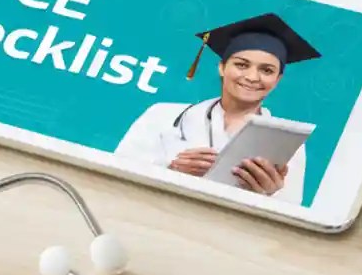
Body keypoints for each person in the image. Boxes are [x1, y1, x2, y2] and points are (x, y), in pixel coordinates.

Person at [115, 13, 320, 204]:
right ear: (222, 67)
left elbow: (290, 210)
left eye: (266, 70)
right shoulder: (162, 114)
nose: (252, 77)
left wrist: (267, 195)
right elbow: (118, 172)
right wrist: (171, 170)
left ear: (277, 80)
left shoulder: (285, 140)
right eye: (241, 65)